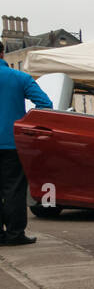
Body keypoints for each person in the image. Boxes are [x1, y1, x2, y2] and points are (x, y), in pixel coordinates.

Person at [1, 40, 53, 246]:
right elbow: (45, 104)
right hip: (12, 142)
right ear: (3, 53)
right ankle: (15, 234)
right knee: (14, 189)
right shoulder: (20, 77)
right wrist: (27, 123)